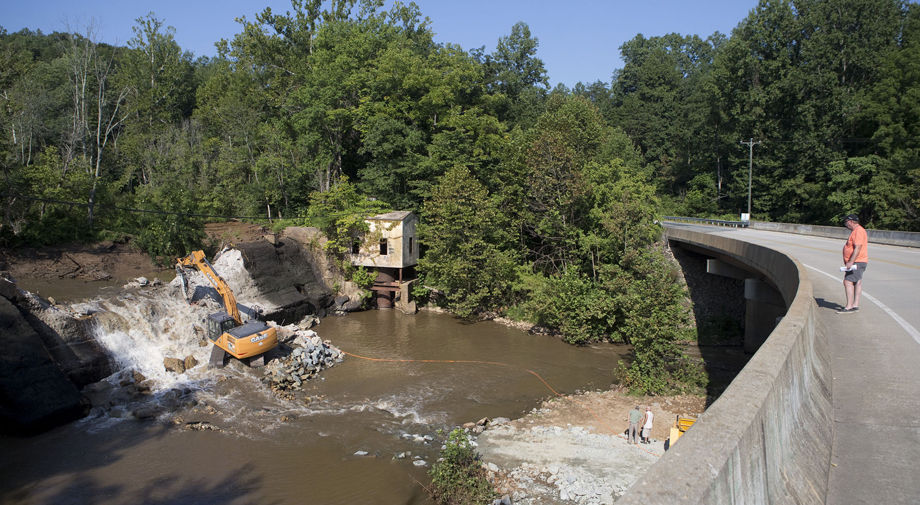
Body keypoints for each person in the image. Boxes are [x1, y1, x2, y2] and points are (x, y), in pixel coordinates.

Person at [838, 214, 868, 314]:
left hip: (857, 261)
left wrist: (850, 261)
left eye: (846, 222)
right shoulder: (857, 231)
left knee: (847, 282)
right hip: (860, 261)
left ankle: (849, 306)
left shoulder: (858, 231)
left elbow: (858, 247)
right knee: (857, 282)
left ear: (850, 221)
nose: (845, 224)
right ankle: (855, 305)